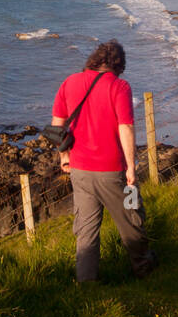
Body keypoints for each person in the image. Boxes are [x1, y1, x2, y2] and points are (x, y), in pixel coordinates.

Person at [51, 39, 158, 283]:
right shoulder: (119, 86)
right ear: (118, 65)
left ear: (94, 60)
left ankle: (87, 284)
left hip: (79, 169)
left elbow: (56, 126)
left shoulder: (69, 83)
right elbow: (126, 127)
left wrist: (64, 156)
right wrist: (131, 167)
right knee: (131, 219)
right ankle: (145, 271)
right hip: (113, 171)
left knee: (85, 230)